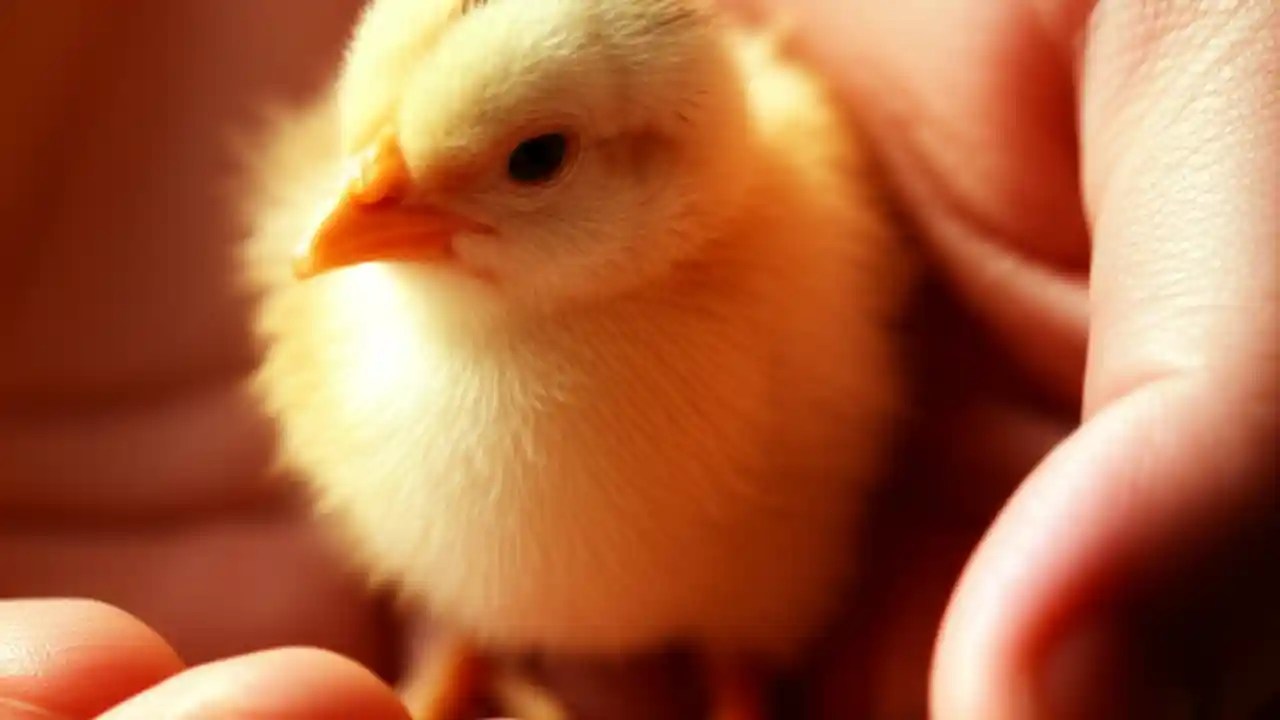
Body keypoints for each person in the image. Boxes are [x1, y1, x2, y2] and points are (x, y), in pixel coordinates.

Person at [1, 1, 1274, 717]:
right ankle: (461, 645)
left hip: (748, 594)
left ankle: (723, 671)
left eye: (535, 160)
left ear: (666, 169)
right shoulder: (376, 284)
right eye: (367, 160)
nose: (344, 224)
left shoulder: (771, 285)